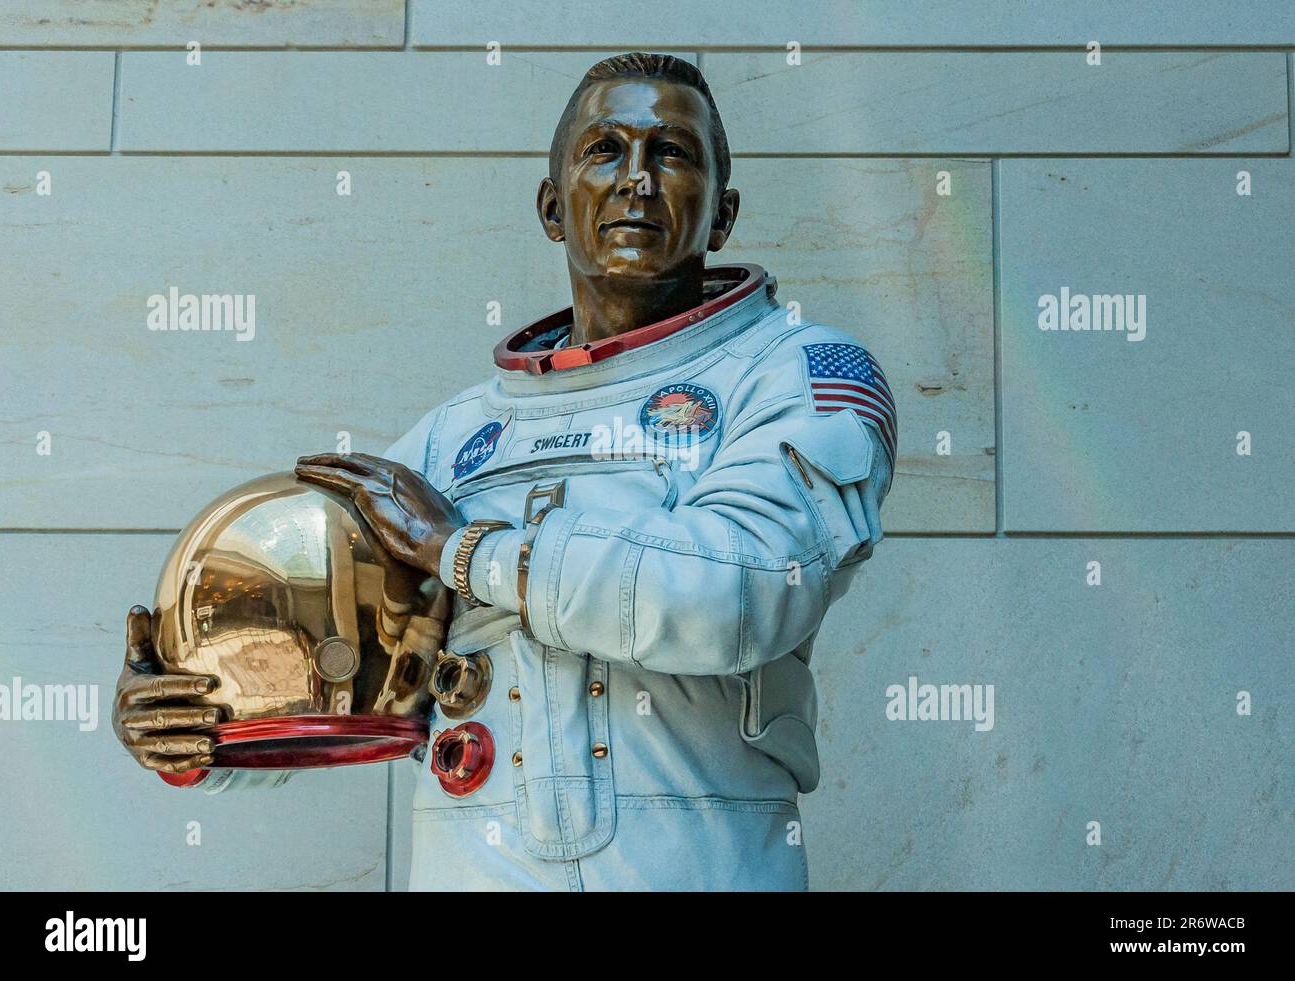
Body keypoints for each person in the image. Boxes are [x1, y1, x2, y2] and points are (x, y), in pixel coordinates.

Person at [112, 51, 896, 891]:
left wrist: (469, 551)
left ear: (724, 213)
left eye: (671, 153)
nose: (636, 179)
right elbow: (348, 691)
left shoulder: (800, 371)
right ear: (552, 207)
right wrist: (195, 723)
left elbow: (737, 592)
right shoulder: (457, 438)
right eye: (604, 151)